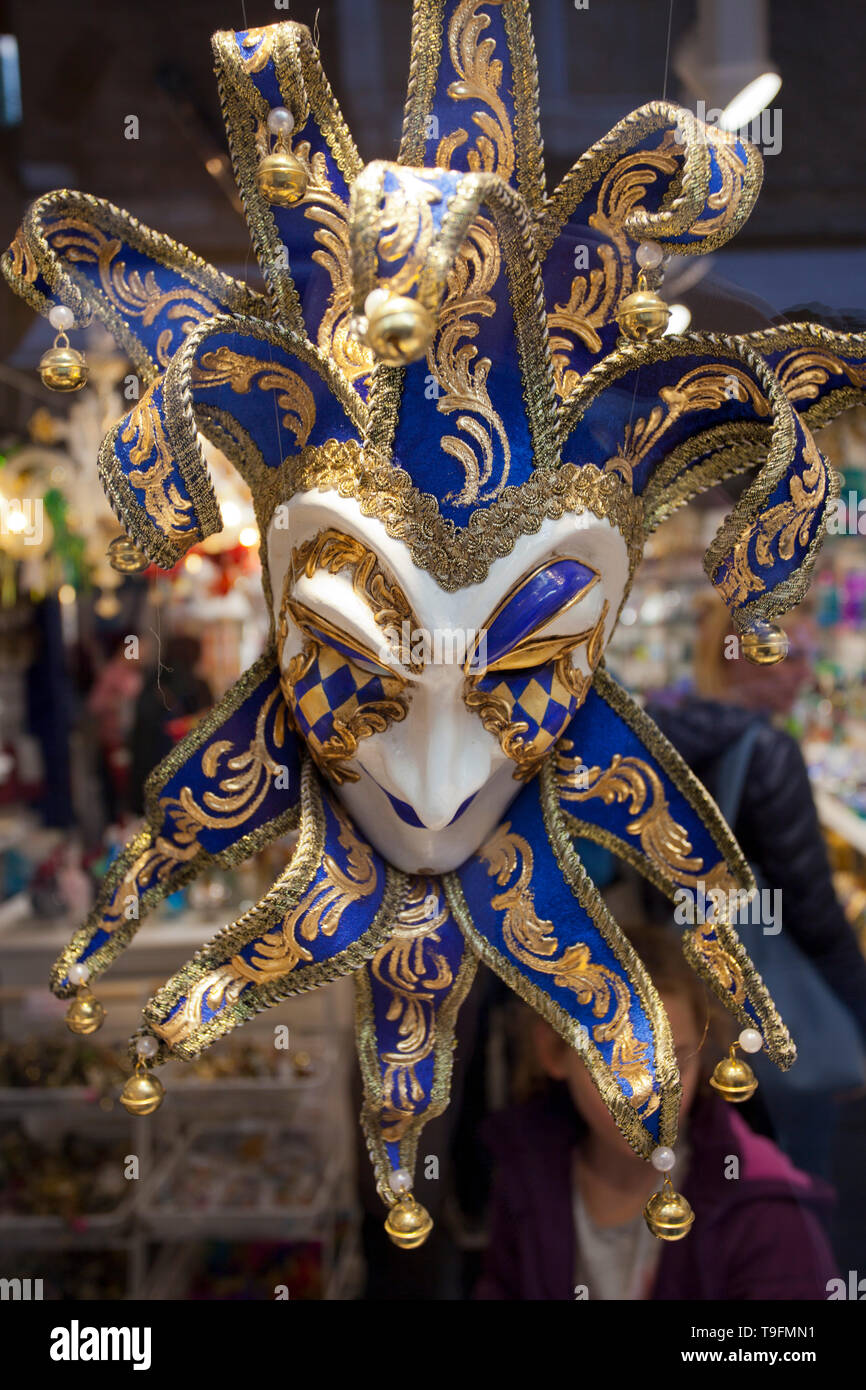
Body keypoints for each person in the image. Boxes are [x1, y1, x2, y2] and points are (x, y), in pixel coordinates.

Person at [476, 921, 837, 1301]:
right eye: (615, 1067)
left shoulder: (764, 1211)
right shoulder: (525, 1171)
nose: (651, 1098)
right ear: (553, 1053)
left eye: (675, 1064)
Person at [128, 633, 213, 813]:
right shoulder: (198, 686)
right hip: (189, 774)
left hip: (150, 768)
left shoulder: (153, 681)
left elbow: (139, 730)